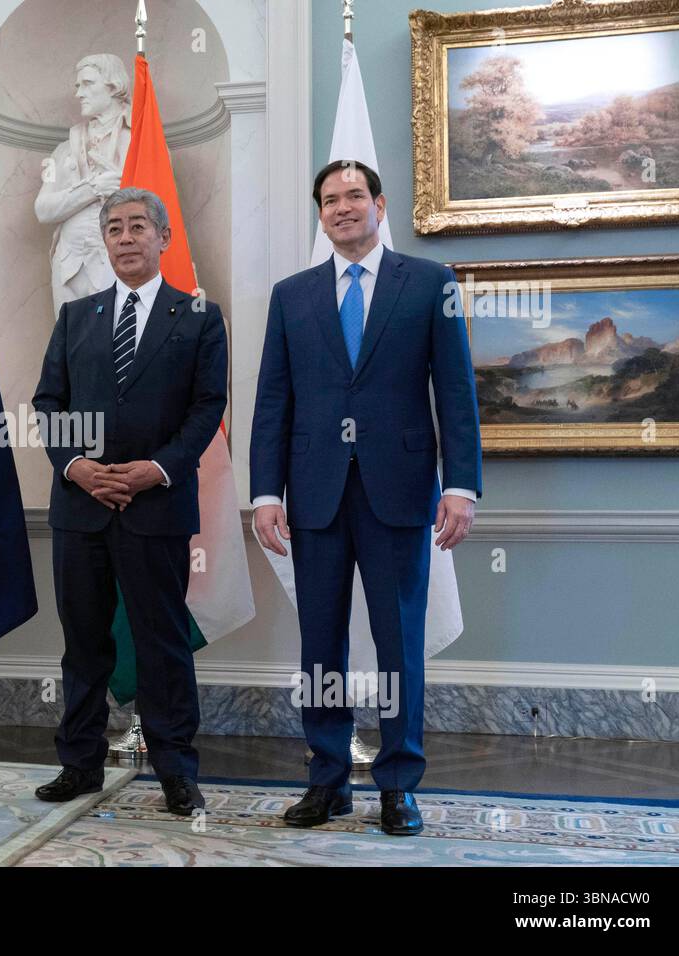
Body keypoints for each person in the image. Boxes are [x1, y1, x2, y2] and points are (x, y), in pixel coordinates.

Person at [249, 160, 483, 836]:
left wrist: (461, 485)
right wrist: (266, 492)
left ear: (380, 205)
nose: (344, 208)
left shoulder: (429, 283)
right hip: (314, 496)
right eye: (330, 200)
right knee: (319, 645)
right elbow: (273, 403)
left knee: (398, 644)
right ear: (319, 215)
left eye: (356, 196)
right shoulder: (292, 296)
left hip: (401, 493)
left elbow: (457, 393)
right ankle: (326, 780)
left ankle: (398, 786)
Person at [31, 187, 227, 816]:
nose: (124, 237)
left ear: (163, 237)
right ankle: (80, 765)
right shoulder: (76, 316)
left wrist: (157, 469)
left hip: (156, 507)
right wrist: (76, 466)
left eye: (137, 226)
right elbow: (47, 405)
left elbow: (206, 409)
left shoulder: (198, 317)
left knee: (161, 642)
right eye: (113, 228)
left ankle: (175, 770)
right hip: (81, 507)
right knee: (83, 642)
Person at [34, 53, 132, 315]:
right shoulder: (63, 150)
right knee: (70, 345)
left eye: (87, 84)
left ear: (113, 86)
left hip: (121, 256)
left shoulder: (141, 143)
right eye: (78, 85)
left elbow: (161, 210)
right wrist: (93, 188)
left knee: (118, 343)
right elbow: (43, 210)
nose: (78, 93)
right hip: (68, 260)